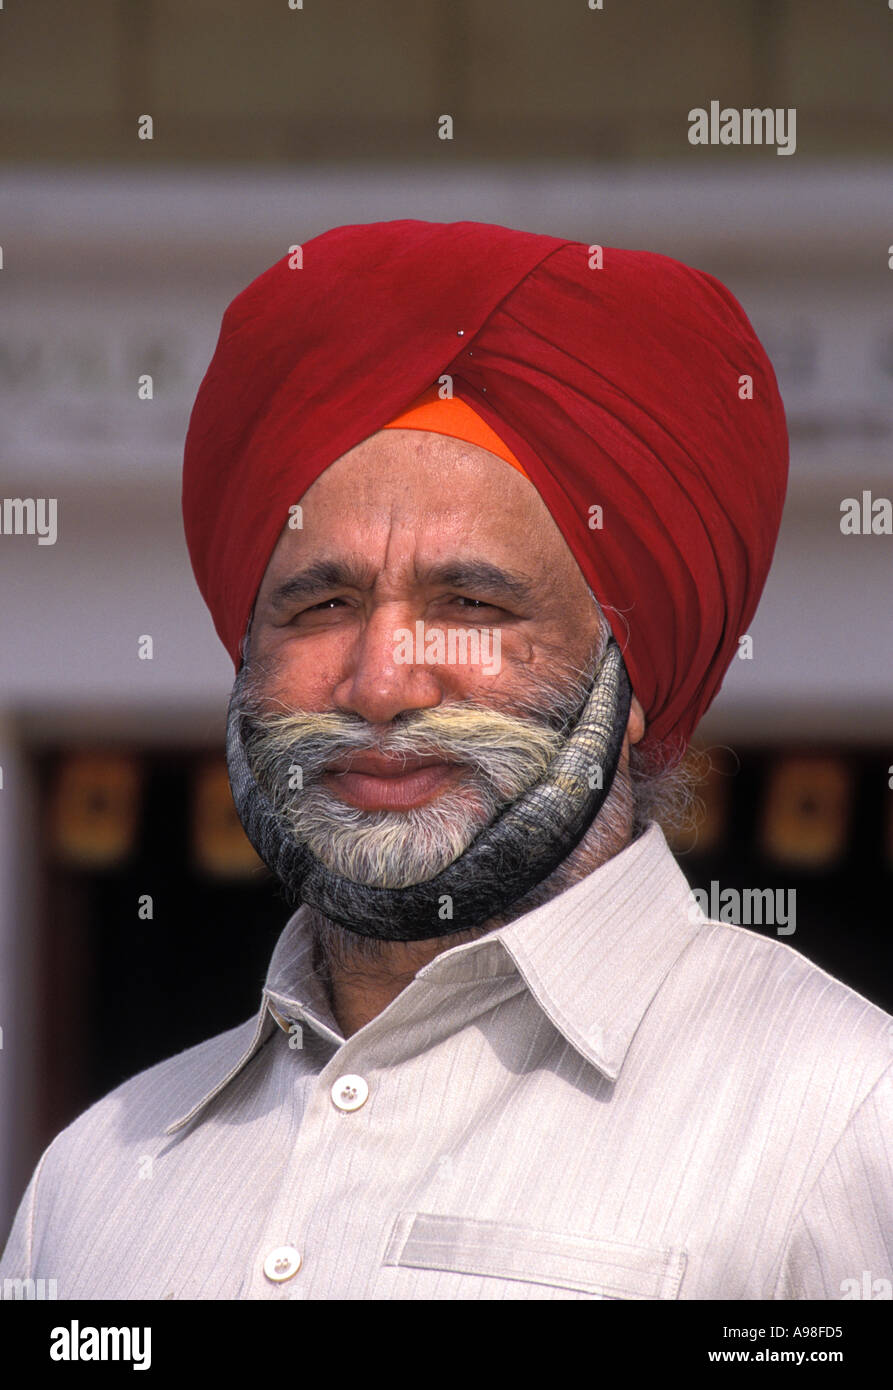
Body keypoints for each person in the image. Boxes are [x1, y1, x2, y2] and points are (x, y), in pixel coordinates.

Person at [2, 220, 890, 1301]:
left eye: (468, 605)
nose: (382, 683)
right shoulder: (96, 1184)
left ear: (631, 680)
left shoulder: (840, 1116)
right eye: (320, 605)